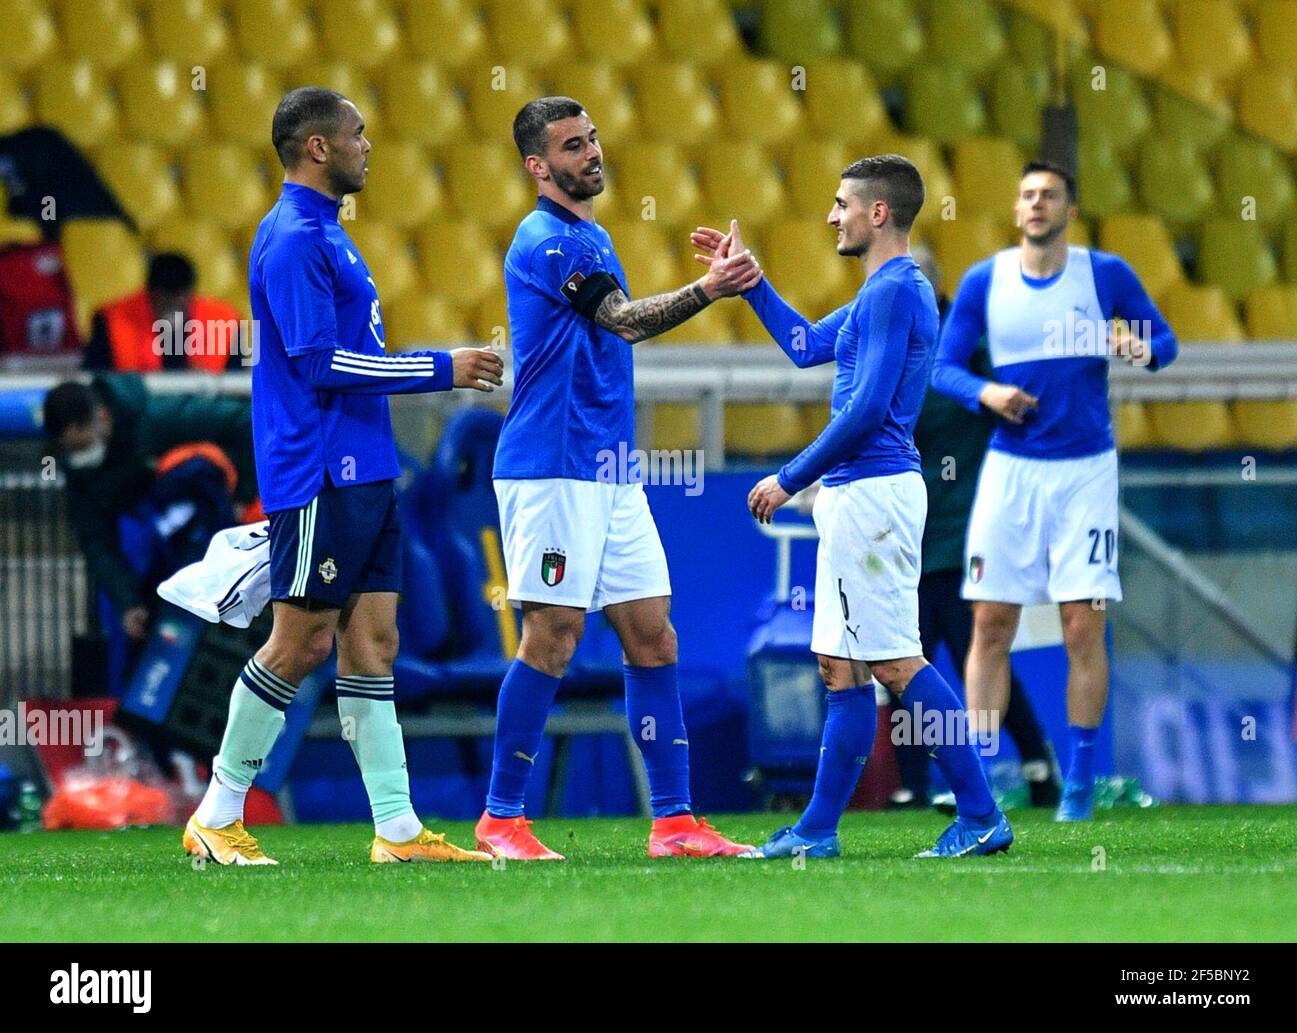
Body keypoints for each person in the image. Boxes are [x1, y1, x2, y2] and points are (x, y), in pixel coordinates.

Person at [183, 86, 504, 866]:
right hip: (321, 469)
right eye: (358, 135)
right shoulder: (294, 237)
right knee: (299, 643)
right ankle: (217, 812)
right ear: (319, 147)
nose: (369, 147)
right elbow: (319, 363)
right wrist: (442, 367)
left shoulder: (325, 231)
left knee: (375, 642)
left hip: (366, 468)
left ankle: (395, 830)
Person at [692, 155, 1013, 859]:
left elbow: (868, 408)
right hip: (855, 495)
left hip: (874, 494)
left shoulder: (897, 292)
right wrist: (752, 285)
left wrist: (789, 475)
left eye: (841, 204)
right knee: (841, 667)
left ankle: (983, 814)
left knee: (898, 663)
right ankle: (817, 828)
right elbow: (806, 346)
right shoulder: (882, 292)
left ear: (877, 213)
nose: (832, 215)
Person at [474, 96, 760, 861]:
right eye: (572, 146)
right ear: (538, 167)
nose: (592, 153)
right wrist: (711, 290)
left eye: (594, 138)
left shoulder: (592, 233)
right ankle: (501, 817)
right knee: (552, 637)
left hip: (609, 467)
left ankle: (673, 822)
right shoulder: (546, 241)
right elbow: (624, 320)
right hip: (551, 466)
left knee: (653, 633)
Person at [932, 160, 1177, 821]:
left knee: (1081, 625)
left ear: (1069, 213)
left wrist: (1138, 346)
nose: (1036, 204)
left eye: (1049, 196)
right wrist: (988, 392)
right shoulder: (987, 281)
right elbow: (942, 366)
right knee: (990, 622)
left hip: (1085, 471)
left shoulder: (1105, 275)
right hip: (1011, 470)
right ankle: (977, 781)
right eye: (1027, 195)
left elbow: (1167, 343)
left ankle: (1079, 780)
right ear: (1016, 211)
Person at [894, 245, 1061, 810]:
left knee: (969, 648)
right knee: (905, 658)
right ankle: (912, 782)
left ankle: (1035, 764)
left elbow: (1026, 405)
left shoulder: (968, 354)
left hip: (967, 525)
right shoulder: (893, 349)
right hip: (910, 534)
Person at [44, 373, 258, 645]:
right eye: (70, 450)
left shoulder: (157, 418)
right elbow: (97, 542)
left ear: (102, 416)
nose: (78, 457)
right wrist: (130, 601)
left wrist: (242, 497)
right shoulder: (79, 472)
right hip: (172, 544)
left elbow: (245, 421)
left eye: (82, 445)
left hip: (238, 521)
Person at [83, 252, 244, 373]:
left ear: (191, 294)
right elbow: (96, 377)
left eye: (179, 299)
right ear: (150, 294)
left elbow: (236, 382)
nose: (173, 307)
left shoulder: (225, 321)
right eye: (165, 300)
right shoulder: (111, 320)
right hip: (134, 410)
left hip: (205, 409)